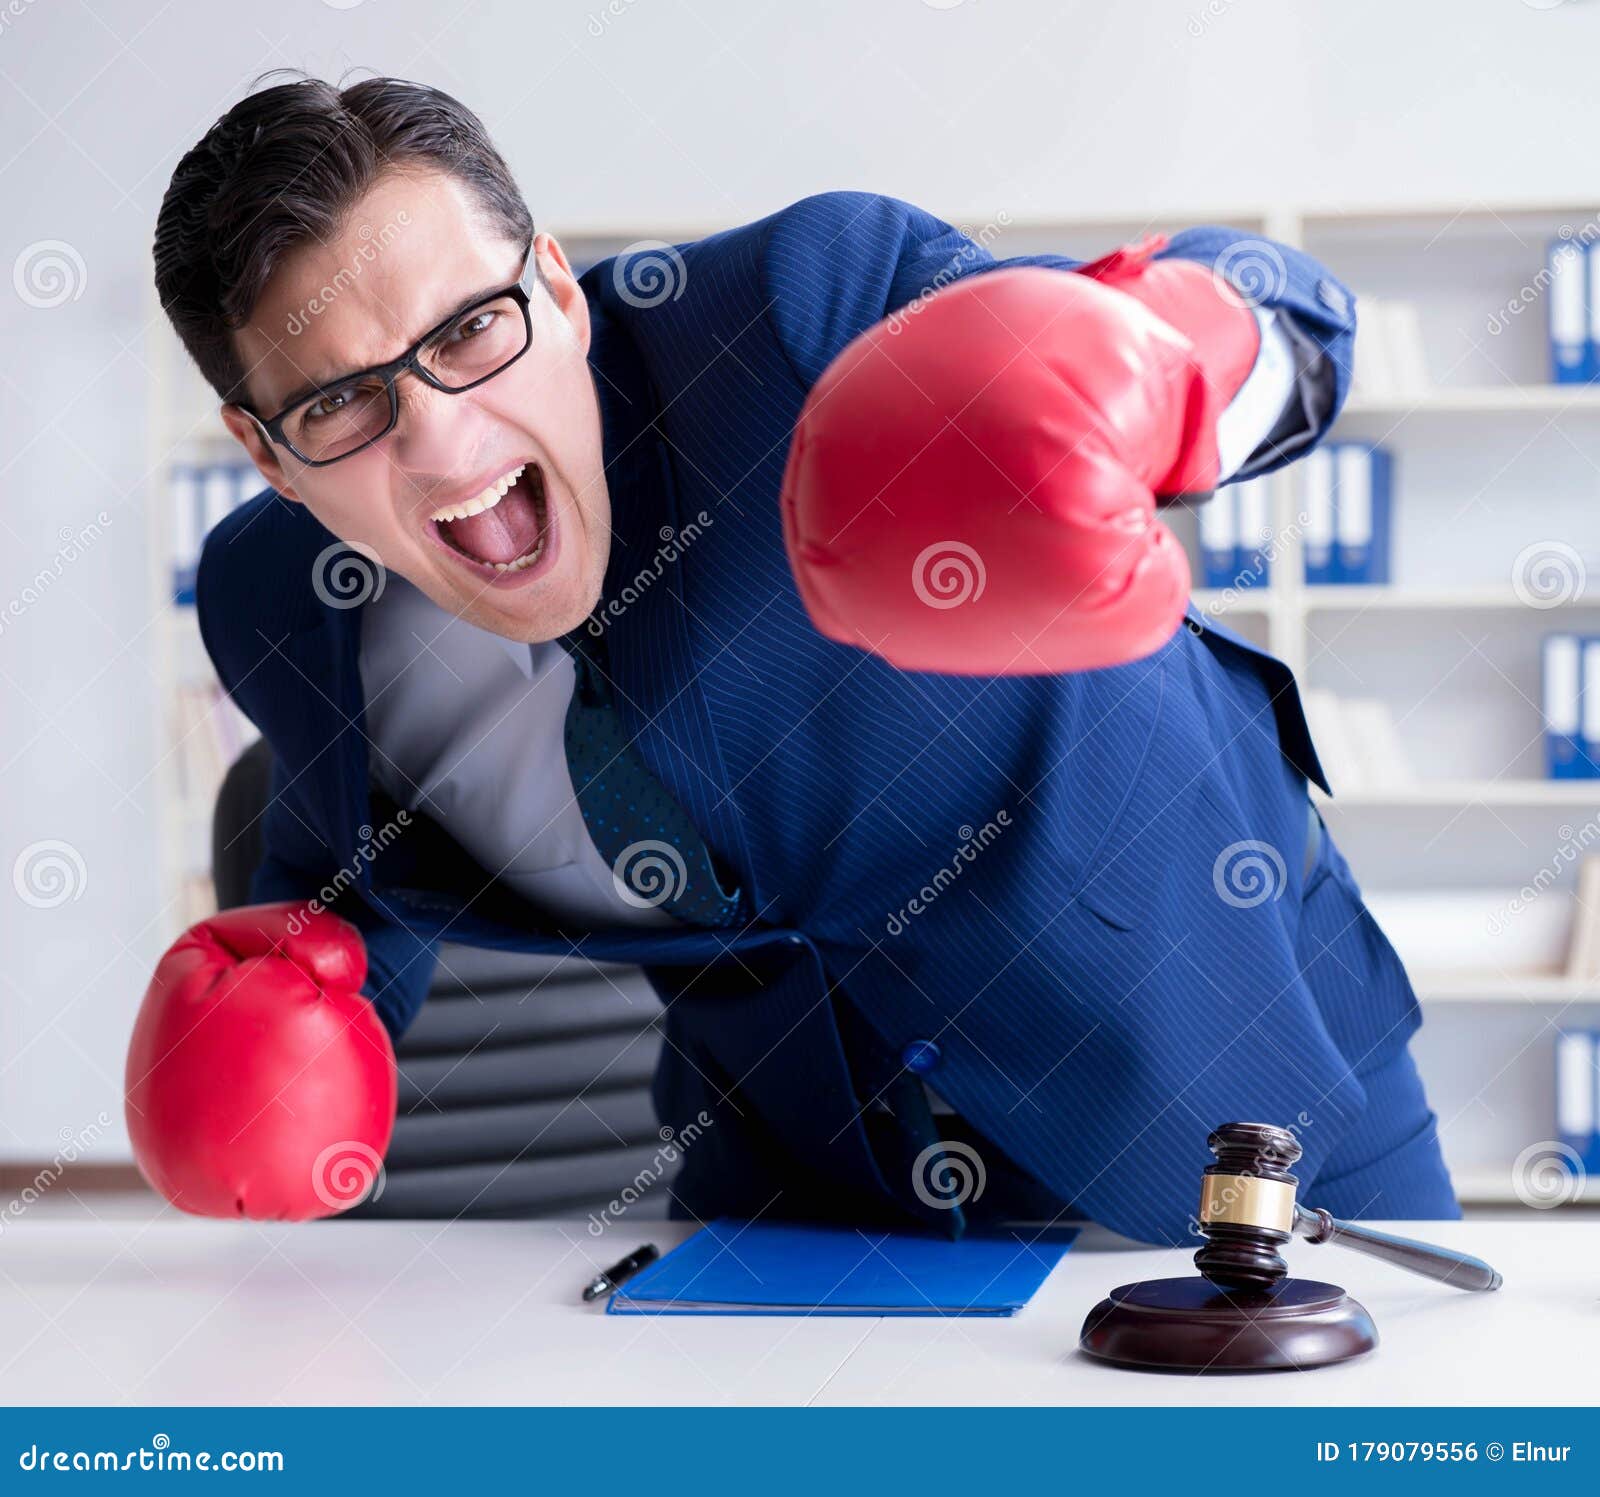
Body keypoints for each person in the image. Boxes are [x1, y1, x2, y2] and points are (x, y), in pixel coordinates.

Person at [126, 73, 1458, 1240]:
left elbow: (1287, 314)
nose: (438, 434)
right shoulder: (282, 604)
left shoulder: (799, 315)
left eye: (472, 326)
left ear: (554, 286)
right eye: (342, 399)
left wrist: (1176, 353)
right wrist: (293, 988)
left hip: (1227, 1086)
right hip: (789, 1195)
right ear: (267, 456)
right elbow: (360, 860)